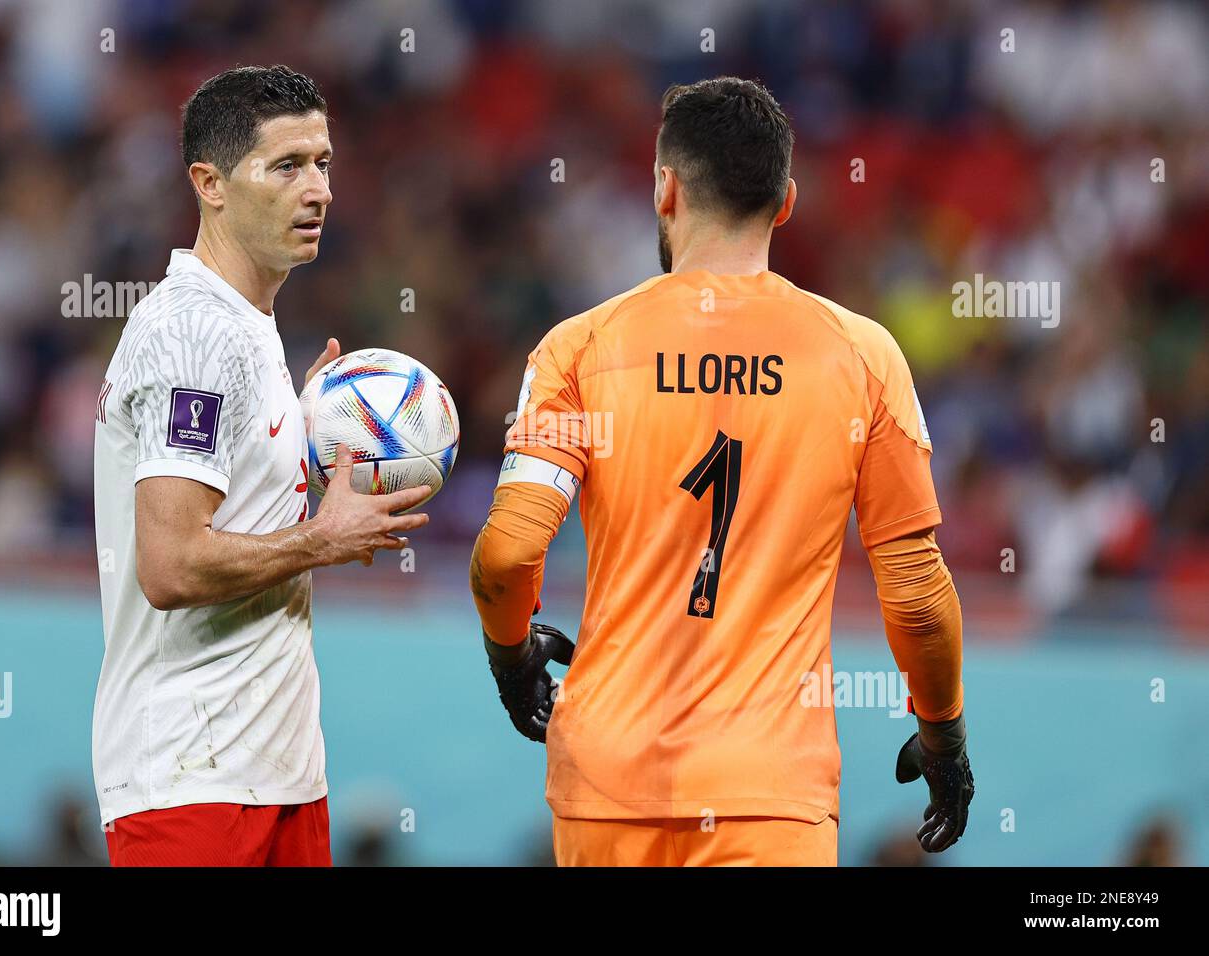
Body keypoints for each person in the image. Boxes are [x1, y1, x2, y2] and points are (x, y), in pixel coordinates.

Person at [470, 77, 972, 866]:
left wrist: (512, 655)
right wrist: (942, 731)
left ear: (665, 189)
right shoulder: (863, 357)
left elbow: (507, 555)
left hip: (607, 782)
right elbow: (915, 594)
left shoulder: (579, 349)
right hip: (768, 792)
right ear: (785, 202)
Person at [92, 65, 430, 866]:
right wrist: (322, 539)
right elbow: (171, 565)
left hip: (277, 773)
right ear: (210, 183)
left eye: (323, 163)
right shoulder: (193, 335)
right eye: (286, 167)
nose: (318, 191)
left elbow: (230, 512)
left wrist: (300, 451)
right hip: (190, 782)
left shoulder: (245, 326)